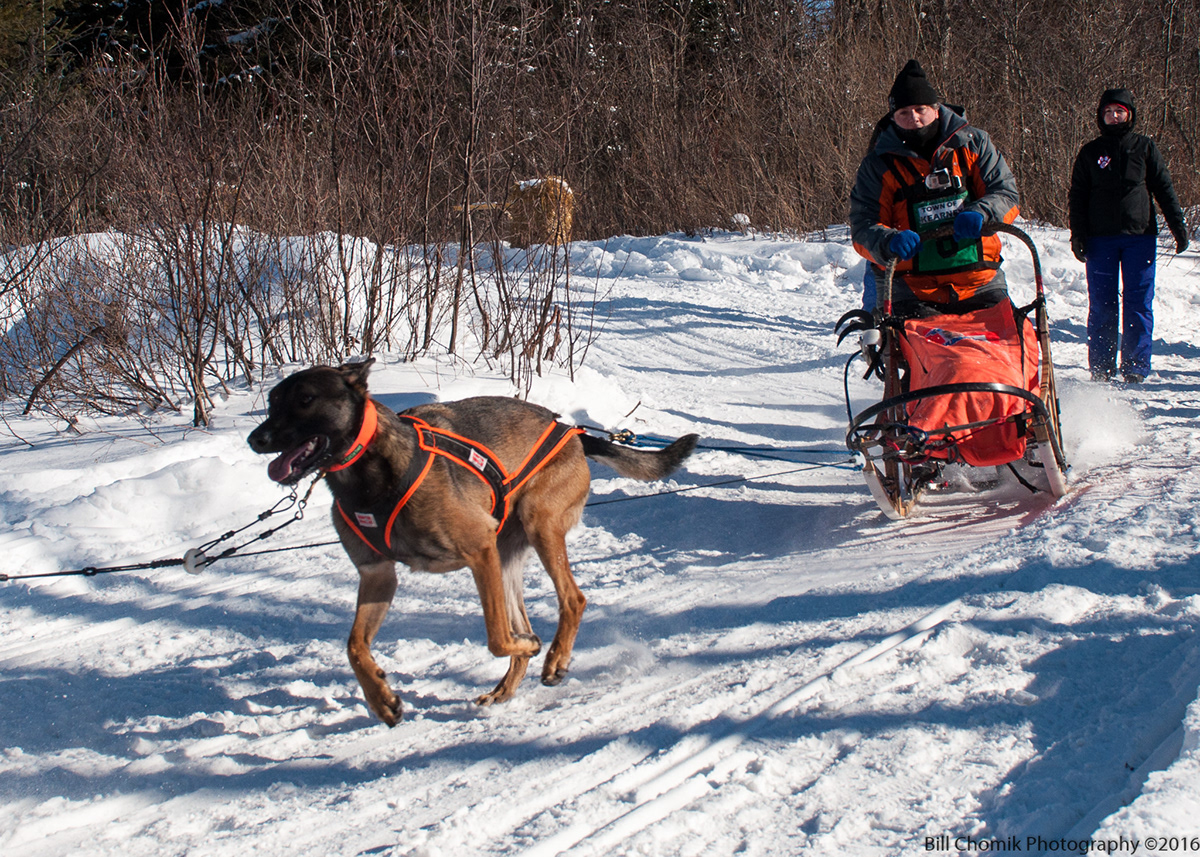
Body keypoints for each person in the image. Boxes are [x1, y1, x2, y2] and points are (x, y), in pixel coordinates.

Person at [850, 59, 1020, 317]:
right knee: (927, 354)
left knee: (1015, 346)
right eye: (904, 113)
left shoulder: (973, 144)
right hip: (912, 288)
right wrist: (889, 240)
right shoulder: (878, 164)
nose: (914, 118)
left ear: (936, 109)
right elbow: (863, 225)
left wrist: (982, 212)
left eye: (920, 109)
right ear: (893, 117)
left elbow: (1006, 193)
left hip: (979, 281)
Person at [1068, 88, 1189, 384]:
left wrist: (1178, 227)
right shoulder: (1090, 152)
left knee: (1138, 302)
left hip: (1140, 237)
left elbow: (1164, 190)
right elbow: (1078, 197)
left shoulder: (1144, 148)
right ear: (1101, 116)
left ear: (1130, 114)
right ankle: (1101, 366)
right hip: (1100, 239)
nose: (1113, 116)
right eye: (1108, 112)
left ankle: (1135, 366)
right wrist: (1078, 235)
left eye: (1119, 111)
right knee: (1102, 304)